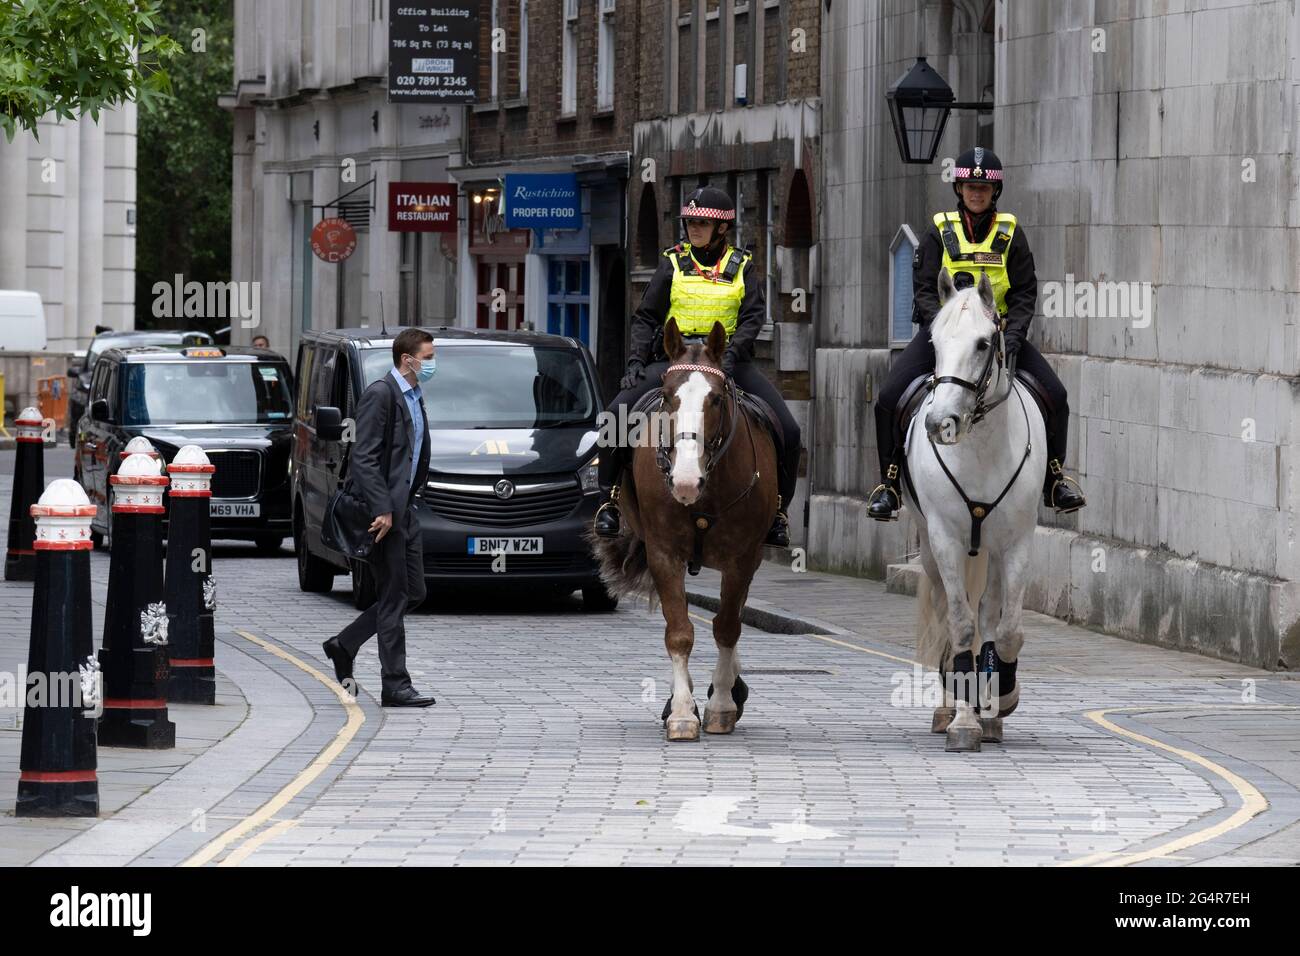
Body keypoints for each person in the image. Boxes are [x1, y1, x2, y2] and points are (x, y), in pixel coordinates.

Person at [866, 146, 1086, 521]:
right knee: (888, 398)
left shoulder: (1010, 233)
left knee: (1057, 396)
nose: (976, 193)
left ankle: (1054, 479)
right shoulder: (939, 230)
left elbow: (1023, 292)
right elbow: (924, 288)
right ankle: (888, 484)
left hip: (995, 337)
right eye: (970, 186)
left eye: (983, 188)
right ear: (959, 190)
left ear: (994, 192)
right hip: (947, 338)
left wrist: (1012, 336)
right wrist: (945, 330)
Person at [591, 186, 802, 547]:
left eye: (702, 223)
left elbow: (752, 318)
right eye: (689, 222)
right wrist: (636, 361)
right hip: (675, 360)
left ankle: (778, 512)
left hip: (725, 361)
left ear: (721, 229)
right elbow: (645, 317)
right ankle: (608, 501)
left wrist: (731, 356)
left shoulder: (743, 266)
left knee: (789, 429)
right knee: (615, 417)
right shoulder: (672, 262)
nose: (693, 229)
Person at [322, 328, 437, 707]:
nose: (433, 363)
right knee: (393, 596)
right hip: (384, 515)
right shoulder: (380, 395)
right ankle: (395, 684)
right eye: (429, 356)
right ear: (408, 359)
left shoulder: (414, 396)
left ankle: (345, 644)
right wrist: (382, 508)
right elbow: (364, 457)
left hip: (406, 511)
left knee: (413, 592)